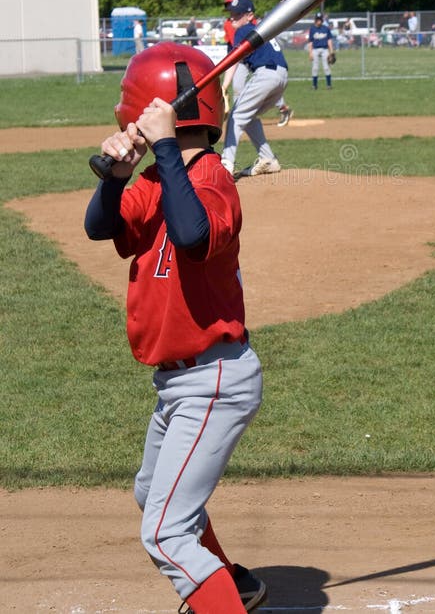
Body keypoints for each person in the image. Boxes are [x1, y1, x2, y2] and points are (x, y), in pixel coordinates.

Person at [84, 42, 266, 614]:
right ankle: (231, 588)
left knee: (165, 534)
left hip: (214, 381)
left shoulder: (212, 179)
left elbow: (192, 236)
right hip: (179, 384)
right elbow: (100, 227)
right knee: (152, 496)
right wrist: (116, 176)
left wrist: (163, 146)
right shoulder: (158, 183)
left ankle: (219, 600)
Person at [220, 0, 287, 177]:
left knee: (237, 114)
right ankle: (268, 160)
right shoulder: (259, 28)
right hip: (281, 76)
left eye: (237, 14)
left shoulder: (244, 30)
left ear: (249, 15)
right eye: (231, 14)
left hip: (266, 74)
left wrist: (224, 86)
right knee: (248, 116)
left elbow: (234, 61)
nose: (232, 17)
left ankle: (226, 164)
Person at [223, 0, 293, 128]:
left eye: (232, 3)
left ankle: (281, 107)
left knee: (265, 84)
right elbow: (231, 44)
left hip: (246, 57)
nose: (229, 7)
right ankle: (241, 118)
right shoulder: (229, 23)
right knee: (238, 87)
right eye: (228, 4)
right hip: (239, 57)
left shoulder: (250, 21)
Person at [308, 11, 334, 89]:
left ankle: (329, 85)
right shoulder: (312, 29)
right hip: (315, 50)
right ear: (315, 20)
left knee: (326, 67)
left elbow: (329, 40)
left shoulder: (326, 28)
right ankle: (314, 85)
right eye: (317, 19)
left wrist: (331, 51)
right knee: (315, 68)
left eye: (320, 19)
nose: (319, 20)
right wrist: (310, 53)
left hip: (325, 49)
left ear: (322, 20)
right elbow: (310, 42)